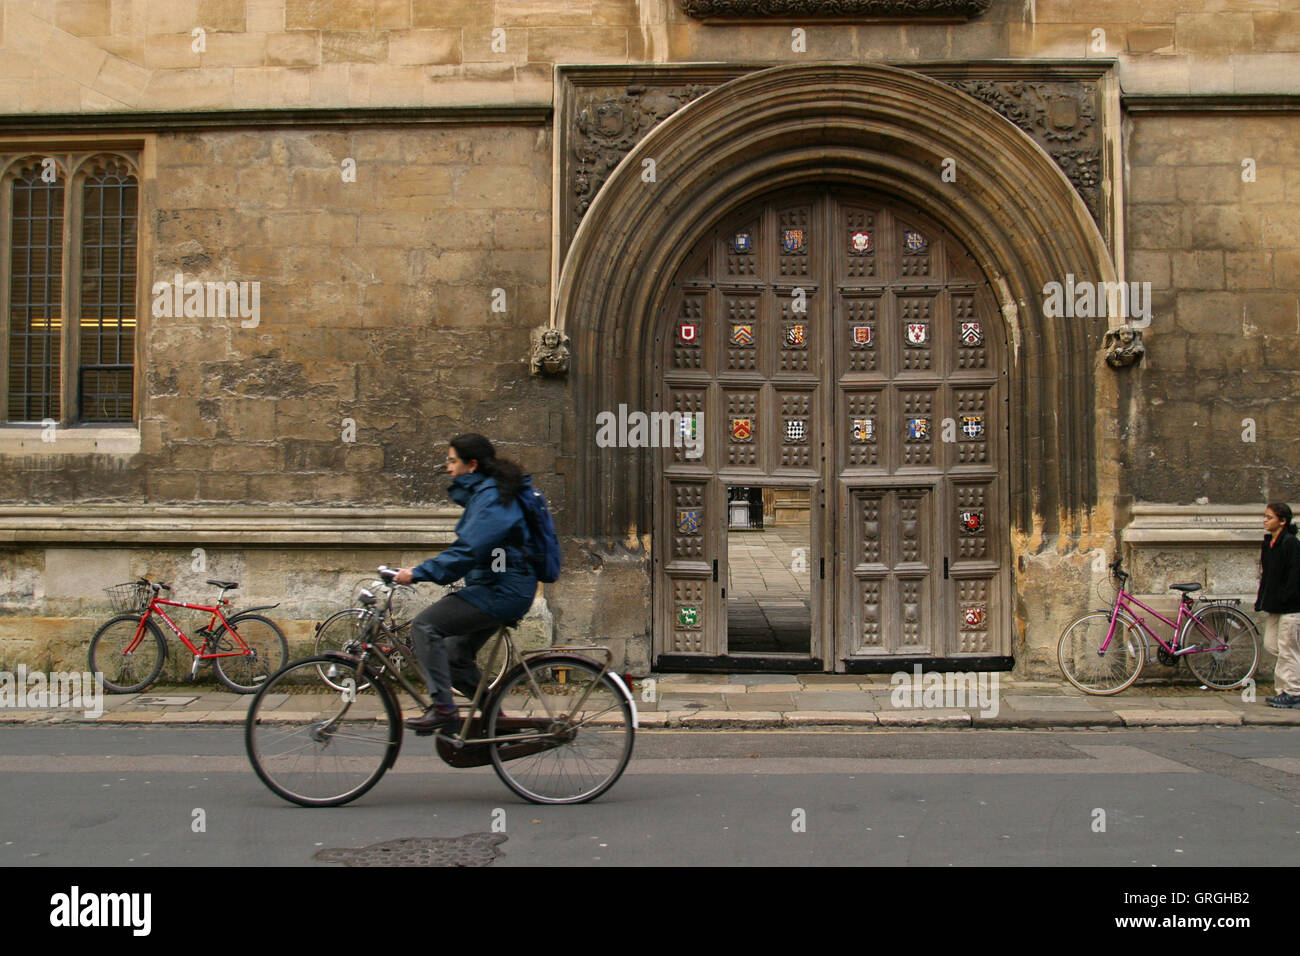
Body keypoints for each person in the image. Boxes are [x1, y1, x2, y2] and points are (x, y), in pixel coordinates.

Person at [395, 434, 539, 734]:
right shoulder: (486, 495)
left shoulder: (492, 498)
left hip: (502, 591)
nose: (447, 468)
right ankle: (496, 723)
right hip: (495, 587)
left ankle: (444, 709)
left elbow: (469, 550)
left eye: (451, 461)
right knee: (454, 657)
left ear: (471, 464)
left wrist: (418, 573)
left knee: (424, 626)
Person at [1255, 502, 1300, 708]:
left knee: (1287, 647)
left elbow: (1294, 575)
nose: (1265, 520)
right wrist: (1261, 599)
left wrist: (1285, 597)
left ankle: (1292, 691)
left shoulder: (1290, 543)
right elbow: (1266, 576)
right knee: (1272, 645)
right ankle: (1286, 688)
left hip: (1291, 606)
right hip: (1274, 605)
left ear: (1282, 521)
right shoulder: (1268, 544)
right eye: (1265, 517)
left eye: (1269, 517)